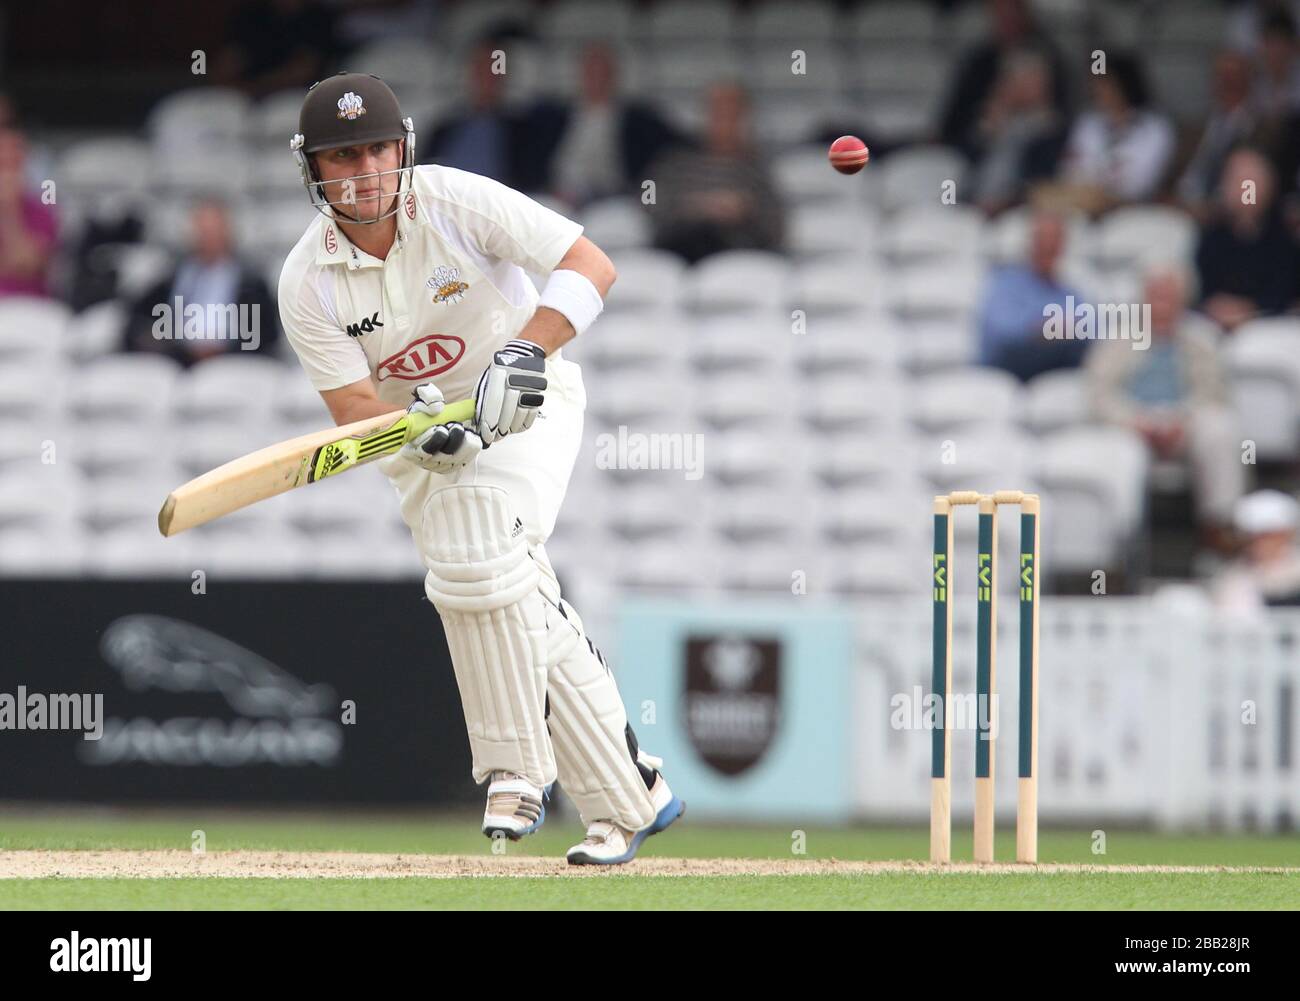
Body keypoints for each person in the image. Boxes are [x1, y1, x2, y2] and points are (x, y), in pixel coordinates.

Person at [278, 73, 683, 864]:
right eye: (341, 156)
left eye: (375, 149)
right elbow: (356, 411)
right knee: (500, 580)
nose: (363, 171)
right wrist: (420, 435)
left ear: (403, 148)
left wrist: (526, 346)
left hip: (526, 402)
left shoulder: (457, 200)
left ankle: (515, 770)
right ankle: (630, 793)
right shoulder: (306, 281)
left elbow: (590, 262)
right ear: (313, 170)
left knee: (479, 534)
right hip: (412, 434)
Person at [1085, 263, 1245, 541]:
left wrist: (1181, 420)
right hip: (1132, 425)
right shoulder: (1117, 338)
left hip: (1185, 423)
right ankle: (1117, 543)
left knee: (1220, 430)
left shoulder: (1202, 338)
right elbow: (1100, 394)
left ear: (1182, 300)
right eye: (1154, 296)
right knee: (1117, 453)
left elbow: (1213, 393)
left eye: (1168, 297)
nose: (1161, 305)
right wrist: (1134, 421)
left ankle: (1221, 528)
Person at [123, 199, 279, 365]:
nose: (207, 237)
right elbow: (137, 319)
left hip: (234, 361)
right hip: (177, 359)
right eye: (202, 230)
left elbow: (267, 333)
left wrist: (225, 347)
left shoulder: (252, 281)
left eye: (213, 230)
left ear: (228, 232)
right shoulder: (171, 276)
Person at [645, 82, 784, 264]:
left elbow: (775, 229)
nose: (724, 122)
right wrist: (697, 207)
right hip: (680, 253)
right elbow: (650, 204)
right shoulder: (674, 165)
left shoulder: (757, 172)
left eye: (731, 114)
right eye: (717, 113)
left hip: (735, 258)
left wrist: (742, 210)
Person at [533, 44, 685, 208]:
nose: (597, 78)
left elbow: (674, 145)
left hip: (614, 200)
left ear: (614, 76)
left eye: (602, 72)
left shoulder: (639, 120)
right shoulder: (552, 117)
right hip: (559, 198)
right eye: (591, 72)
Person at [937, 0, 1069, 161]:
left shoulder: (1046, 54)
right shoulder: (980, 60)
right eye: (999, 12)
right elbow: (957, 126)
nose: (1006, 19)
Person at [1195, 146, 1300, 330]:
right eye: (1233, 180)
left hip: (1270, 328)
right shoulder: (1211, 235)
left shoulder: (1285, 238)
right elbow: (1200, 286)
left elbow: (1284, 295)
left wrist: (1249, 310)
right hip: (1212, 323)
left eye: (1247, 183)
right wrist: (1215, 306)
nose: (1238, 189)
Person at [976, 209, 1088, 381]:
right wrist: (1044, 329)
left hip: (1051, 376)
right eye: (1043, 239)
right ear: (1030, 243)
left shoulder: (1068, 292)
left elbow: (1090, 330)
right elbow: (1004, 333)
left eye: (1055, 240)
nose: (1048, 246)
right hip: (1003, 375)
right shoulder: (1005, 283)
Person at [1056, 53, 1174, 212]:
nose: (1097, 89)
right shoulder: (1087, 122)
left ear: (1124, 83)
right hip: (1083, 208)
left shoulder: (1155, 128)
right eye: (1095, 83)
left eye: (1104, 83)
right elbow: (1069, 171)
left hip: (1134, 212)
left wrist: (1102, 187)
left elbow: (1142, 183)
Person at [969, 48, 1069, 213]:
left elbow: (1043, 177)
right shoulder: (996, 120)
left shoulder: (1053, 127)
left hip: (1019, 208)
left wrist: (1009, 201)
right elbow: (968, 160)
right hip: (976, 203)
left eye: (1033, 80)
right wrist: (990, 127)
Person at [1177, 51, 1258, 215]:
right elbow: (1184, 173)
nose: (1226, 82)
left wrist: (1218, 208)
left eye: (1233, 76)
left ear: (1247, 80)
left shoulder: (1260, 126)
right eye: (1221, 76)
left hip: (1231, 213)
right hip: (1188, 206)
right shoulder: (1203, 124)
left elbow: (1252, 193)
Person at [1211, 489, 1300, 615]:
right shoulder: (1235, 579)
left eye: (1268, 535)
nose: (1260, 543)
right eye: (1252, 536)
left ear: (1287, 534)